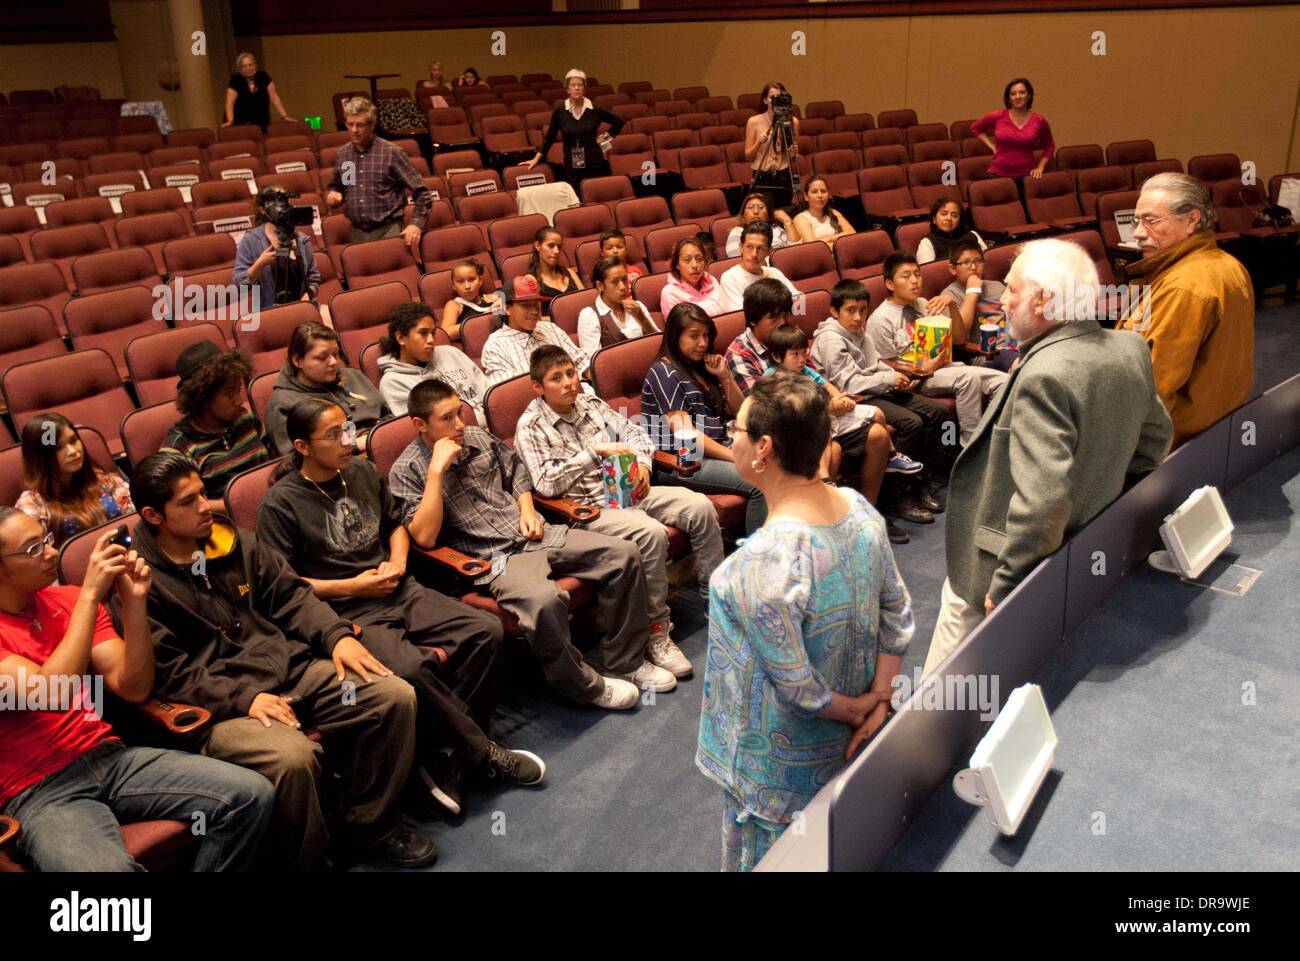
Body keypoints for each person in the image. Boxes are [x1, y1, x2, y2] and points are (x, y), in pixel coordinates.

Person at [125, 451, 436, 870]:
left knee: (392, 696)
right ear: (153, 515)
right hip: (222, 706)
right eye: (188, 501)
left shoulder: (228, 540)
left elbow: (290, 596)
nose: (205, 506)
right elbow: (170, 672)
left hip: (290, 668)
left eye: (203, 493)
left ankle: (369, 823)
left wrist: (336, 636)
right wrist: (243, 698)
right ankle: (308, 860)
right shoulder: (137, 580)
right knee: (292, 758)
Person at [257, 398, 544, 817]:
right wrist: (352, 585)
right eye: (333, 435)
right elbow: (283, 588)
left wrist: (397, 560)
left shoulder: (360, 471)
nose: (347, 441)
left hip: (399, 588)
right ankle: (482, 753)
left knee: (486, 632)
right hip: (347, 611)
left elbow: (396, 526)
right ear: (302, 446)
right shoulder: (280, 505)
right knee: (410, 670)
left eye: (347, 428)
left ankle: (449, 754)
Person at [695, 373, 913, 871]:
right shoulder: (859, 510)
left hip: (775, 773)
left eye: (738, 426)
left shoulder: (757, 566)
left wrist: (856, 710)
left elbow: (799, 688)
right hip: (846, 749)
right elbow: (898, 616)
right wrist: (878, 700)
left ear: (763, 448)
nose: (730, 433)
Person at [924, 239, 1173, 674]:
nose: (1002, 300)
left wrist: (1007, 584)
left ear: (1045, 300)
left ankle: (922, 739)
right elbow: (1154, 441)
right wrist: (1101, 502)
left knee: (945, 686)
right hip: (1076, 548)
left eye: (1013, 290)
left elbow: (1042, 500)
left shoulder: (1045, 372)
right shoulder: (1130, 347)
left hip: (999, 561)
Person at [0, 510, 274, 872]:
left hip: (107, 757)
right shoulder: (75, 603)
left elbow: (132, 686)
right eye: (34, 548)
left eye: (47, 540)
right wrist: (90, 598)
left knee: (249, 795)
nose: (51, 554)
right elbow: (52, 693)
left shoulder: (66, 600)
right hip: (39, 792)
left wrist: (134, 603)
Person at [389, 379, 656, 711]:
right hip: (494, 558)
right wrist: (436, 471)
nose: (460, 425)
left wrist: (527, 508)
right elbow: (425, 537)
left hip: (534, 532)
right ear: (419, 424)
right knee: (544, 601)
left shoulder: (476, 437)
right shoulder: (406, 470)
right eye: (447, 419)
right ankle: (584, 686)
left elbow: (517, 473)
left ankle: (626, 662)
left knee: (624, 554)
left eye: (460, 413)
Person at [517, 345, 724, 680]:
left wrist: (642, 467)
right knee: (650, 532)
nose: (570, 382)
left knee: (698, 505)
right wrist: (591, 454)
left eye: (571, 373)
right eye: (557, 378)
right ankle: (658, 632)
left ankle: (715, 602)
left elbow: (637, 435)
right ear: (538, 386)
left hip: (628, 490)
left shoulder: (590, 403)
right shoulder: (531, 425)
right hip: (587, 509)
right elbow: (545, 484)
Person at [1119, 172, 1255, 448]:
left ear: (1192, 219)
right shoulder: (1229, 265)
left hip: (1174, 443)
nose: (1138, 232)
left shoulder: (1183, 288)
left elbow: (1153, 389)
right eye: (1137, 221)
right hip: (1215, 429)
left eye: (1151, 220)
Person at [811, 279, 948, 526]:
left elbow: (876, 365)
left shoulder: (859, 332)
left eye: (863, 310)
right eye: (850, 310)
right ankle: (898, 496)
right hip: (854, 399)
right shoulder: (831, 339)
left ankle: (921, 481)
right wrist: (888, 379)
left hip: (875, 388)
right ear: (834, 311)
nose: (858, 317)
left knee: (937, 411)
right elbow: (848, 385)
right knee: (911, 423)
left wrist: (897, 378)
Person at [764, 324, 921, 516]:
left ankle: (892, 457)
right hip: (802, 425)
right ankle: (826, 481)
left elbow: (827, 385)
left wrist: (840, 399)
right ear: (777, 357)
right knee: (829, 440)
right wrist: (827, 407)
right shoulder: (772, 378)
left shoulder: (806, 370)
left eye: (803, 353)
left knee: (877, 414)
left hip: (827, 413)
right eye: (794, 354)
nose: (801, 359)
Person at [641, 303, 768, 535]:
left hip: (717, 448)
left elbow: (739, 411)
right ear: (675, 336)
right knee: (759, 481)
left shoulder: (698, 368)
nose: (702, 343)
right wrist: (734, 457)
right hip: (684, 462)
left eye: (706, 335)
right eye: (694, 336)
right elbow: (687, 438)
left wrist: (724, 375)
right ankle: (756, 563)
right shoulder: (664, 373)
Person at [867, 251, 1008, 445]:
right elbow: (886, 365)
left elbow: (958, 339)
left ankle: (994, 439)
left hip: (944, 368)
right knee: (968, 379)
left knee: (1005, 382)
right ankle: (970, 446)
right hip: (916, 380)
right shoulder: (880, 319)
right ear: (890, 284)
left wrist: (951, 306)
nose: (915, 281)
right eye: (906, 276)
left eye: (917, 274)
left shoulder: (924, 304)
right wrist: (927, 369)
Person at [162, 341, 269, 500]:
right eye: (229, 393)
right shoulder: (179, 449)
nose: (239, 401)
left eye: (238, 390)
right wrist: (246, 503)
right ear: (202, 397)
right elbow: (191, 509)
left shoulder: (246, 419)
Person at [262, 322, 385, 458]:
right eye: (322, 357)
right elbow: (296, 460)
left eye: (336, 354)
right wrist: (356, 443)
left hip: (381, 445)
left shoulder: (353, 376)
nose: (333, 362)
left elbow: (388, 415)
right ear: (297, 360)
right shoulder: (283, 405)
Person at [16, 413, 133, 549]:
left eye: (73, 440)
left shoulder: (106, 481)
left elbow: (137, 521)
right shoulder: (32, 504)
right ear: (41, 457)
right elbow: (39, 558)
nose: (72, 451)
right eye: (58, 448)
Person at [324, 96, 431, 246]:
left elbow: (423, 193)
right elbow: (341, 186)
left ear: (372, 125)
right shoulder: (344, 155)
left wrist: (416, 224)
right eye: (350, 124)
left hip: (388, 231)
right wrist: (333, 195)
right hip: (357, 233)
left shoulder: (391, 153)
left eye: (360, 125)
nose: (354, 130)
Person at [379, 301, 488, 419]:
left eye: (433, 333)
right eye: (423, 333)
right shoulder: (393, 383)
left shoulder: (451, 353)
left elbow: (488, 395)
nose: (431, 340)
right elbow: (420, 429)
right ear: (400, 338)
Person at [924, 238, 1017, 372]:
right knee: (1018, 362)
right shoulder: (949, 296)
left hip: (1014, 343)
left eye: (978, 261)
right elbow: (960, 338)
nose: (974, 267)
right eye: (966, 262)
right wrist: (972, 292)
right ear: (952, 269)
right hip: (984, 355)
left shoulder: (997, 286)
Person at [480, 275, 590, 385]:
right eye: (526, 305)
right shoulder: (495, 347)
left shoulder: (550, 328)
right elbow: (509, 396)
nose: (534, 311)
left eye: (536, 304)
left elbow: (582, 363)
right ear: (507, 309)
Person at [523, 69, 624, 189]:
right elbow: (550, 136)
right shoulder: (560, 111)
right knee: (577, 199)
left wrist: (605, 137)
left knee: (595, 195)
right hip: (572, 163)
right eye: (573, 85)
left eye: (580, 85)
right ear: (567, 89)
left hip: (595, 162)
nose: (577, 88)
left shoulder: (595, 109)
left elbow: (619, 122)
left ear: (584, 89)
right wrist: (537, 158)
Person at [233, 186, 321, 316]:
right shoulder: (251, 241)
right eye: (277, 203)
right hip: (270, 314)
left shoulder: (302, 240)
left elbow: (313, 278)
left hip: (303, 308)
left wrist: (308, 297)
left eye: (285, 203)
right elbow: (240, 287)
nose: (283, 208)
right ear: (263, 210)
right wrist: (259, 265)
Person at [971, 78, 1055, 204]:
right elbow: (975, 128)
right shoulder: (998, 116)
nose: (1017, 96)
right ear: (1008, 97)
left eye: (1022, 92)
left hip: (1026, 177)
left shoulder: (1039, 120)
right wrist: (992, 146)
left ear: (1029, 95)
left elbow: (1049, 146)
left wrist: (1041, 167)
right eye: (1013, 93)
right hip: (998, 175)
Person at [724, 276, 794, 396]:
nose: (783, 322)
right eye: (774, 317)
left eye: (785, 315)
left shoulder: (788, 337)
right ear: (753, 319)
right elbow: (762, 405)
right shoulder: (738, 354)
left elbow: (817, 381)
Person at [577, 256, 659, 354]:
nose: (623, 287)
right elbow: (592, 362)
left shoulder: (637, 307)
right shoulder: (589, 315)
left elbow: (659, 344)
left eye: (624, 279)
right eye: (615, 282)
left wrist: (642, 319)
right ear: (600, 286)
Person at [745, 81, 802, 212]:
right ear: (765, 100)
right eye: (772, 97)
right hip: (762, 176)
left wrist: (793, 152)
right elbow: (748, 156)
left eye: (779, 97)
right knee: (763, 214)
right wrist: (758, 143)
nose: (775, 101)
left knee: (784, 214)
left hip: (783, 175)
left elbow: (792, 158)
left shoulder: (793, 121)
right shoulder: (754, 121)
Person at [718, 222, 800, 314]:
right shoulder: (730, 278)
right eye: (749, 247)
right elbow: (743, 317)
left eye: (760, 248)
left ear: (769, 251)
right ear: (741, 247)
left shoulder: (774, 273)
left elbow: (800, 305)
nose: (754, 254)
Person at [224, 52, 292, 131]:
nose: (248, 68)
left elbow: (274, 98)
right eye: (244, 66)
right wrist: (230, 121)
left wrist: (284, 116)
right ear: (240, 68)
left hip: (261, 122)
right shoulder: (236, 80)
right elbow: (229, 102)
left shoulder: (263, 77)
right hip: (240, 124)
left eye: (250, 65)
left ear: (255, 65)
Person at [660, 236, 727, 317]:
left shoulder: (712, 281)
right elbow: (684, 326)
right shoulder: (670, 293)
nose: (695, 265)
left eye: (699, 259)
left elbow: (725, 311)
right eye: (687, 260)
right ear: (677, 264)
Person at [525, 225, 585, 315]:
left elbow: (586, 301)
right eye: (551, 246)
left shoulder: (570, 272)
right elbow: (535, 318)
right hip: (551, 327)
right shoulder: (531, 279)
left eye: (559, 246)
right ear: (537, 246)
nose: (556, 251)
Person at [440, 258, 501, 342]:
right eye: (460, 281)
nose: (467, 286)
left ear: (480, 280)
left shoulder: (492, 298)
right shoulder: (454, 305)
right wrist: (484, 318)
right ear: (453, 285)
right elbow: (446, 333)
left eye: (471, 280)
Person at [915, 197, 987, 266]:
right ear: (934, 219)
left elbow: (988, 261)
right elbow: (929, 273)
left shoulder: (972, 235)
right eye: (944, 214)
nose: (949, 218)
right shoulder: (927, 243)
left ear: (959, 221)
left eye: (954, 215)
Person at [724, 191, 794, 259]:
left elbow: (796, 251)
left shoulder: (775, 228)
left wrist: (787, 221)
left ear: (768, 213)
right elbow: (735, 260)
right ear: (743, 213)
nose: (756, 211)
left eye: (761, 207)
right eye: (751, 207)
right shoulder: (737, 232)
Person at [790, 175, 855, 247]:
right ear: (806, 197)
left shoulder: (834, 212)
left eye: (823, 191)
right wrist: (839, 241)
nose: (820, 195)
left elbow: (852, 233)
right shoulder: (800, 218)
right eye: (814, 192)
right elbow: (814, 247)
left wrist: (825, 239)